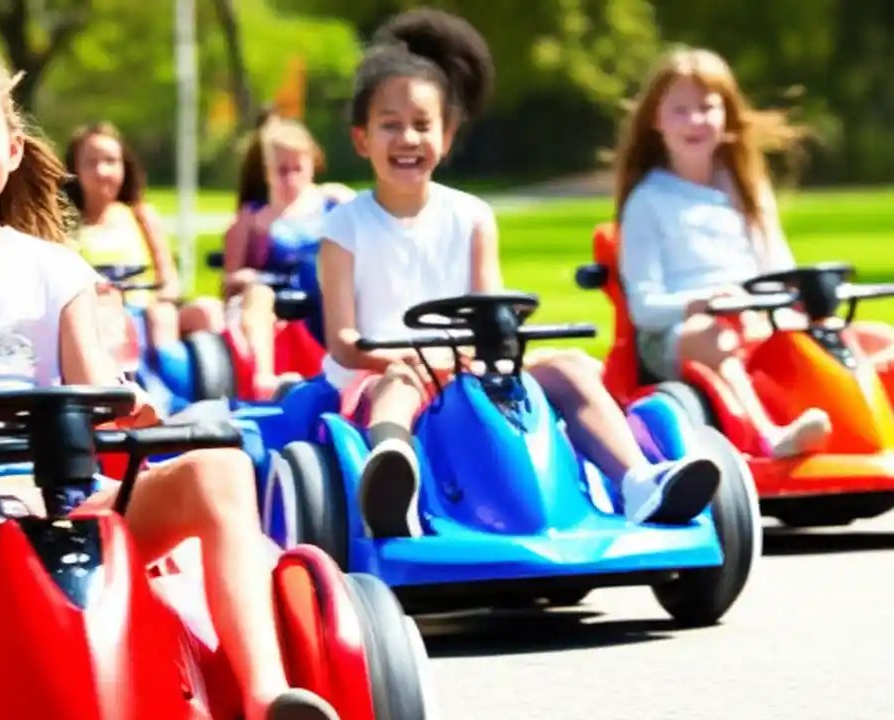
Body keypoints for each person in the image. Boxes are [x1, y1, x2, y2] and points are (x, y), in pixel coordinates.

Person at [0, 31, 338, 720]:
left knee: (220, 469)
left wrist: (133, 407)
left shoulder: (56, 270)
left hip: (70, 500)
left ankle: (266, 691)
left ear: (13, 148)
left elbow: (100, 385)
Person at [316, 9, 721, 540]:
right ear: (362, 139)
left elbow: (492, 312)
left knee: (572, 366)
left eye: (421, 125)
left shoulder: (472, 217)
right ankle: (394, 476)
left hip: (465, 366)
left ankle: (638, 480)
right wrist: (416, 357)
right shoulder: (344, 227)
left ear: (448, 135)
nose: (407, 138)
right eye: (390, 126)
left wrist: (474, 350)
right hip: (382, 371)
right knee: (400, 385)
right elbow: (345, 343)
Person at [614, 47, 887, 458]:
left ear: (726, 115)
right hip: (679, 334)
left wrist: (798, 302)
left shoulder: (745, 189)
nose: (695, 120)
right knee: (717, 336)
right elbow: (644, 308)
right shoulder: (647, 202)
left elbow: (779, 268)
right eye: (680, 110)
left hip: (756, 315)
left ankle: (872, 430)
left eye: (707, 107)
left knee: (870, 340)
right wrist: (703, 302)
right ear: (655, 120)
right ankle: (768, 437)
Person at [222, 114, 355, 399]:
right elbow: (229, 279)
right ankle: (264, 378)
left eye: (298, 168)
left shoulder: (334, 202)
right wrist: (245, 277)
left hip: (326, 290)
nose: (291, 178)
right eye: (282, 170)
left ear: (312, 165)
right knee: (258, 294)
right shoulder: (252, 218)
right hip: (273, 298)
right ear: (267, 170)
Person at [65, 122, 223, 349]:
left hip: (147, 312)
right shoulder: (66, 225)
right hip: (97, 315)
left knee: (201, 311)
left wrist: (161, 300)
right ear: (75, 170)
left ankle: (186, 378)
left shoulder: (141, 217)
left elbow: (169, 280)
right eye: (91, 163)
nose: (102, 172)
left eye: (111, 161)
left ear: (124, 167)